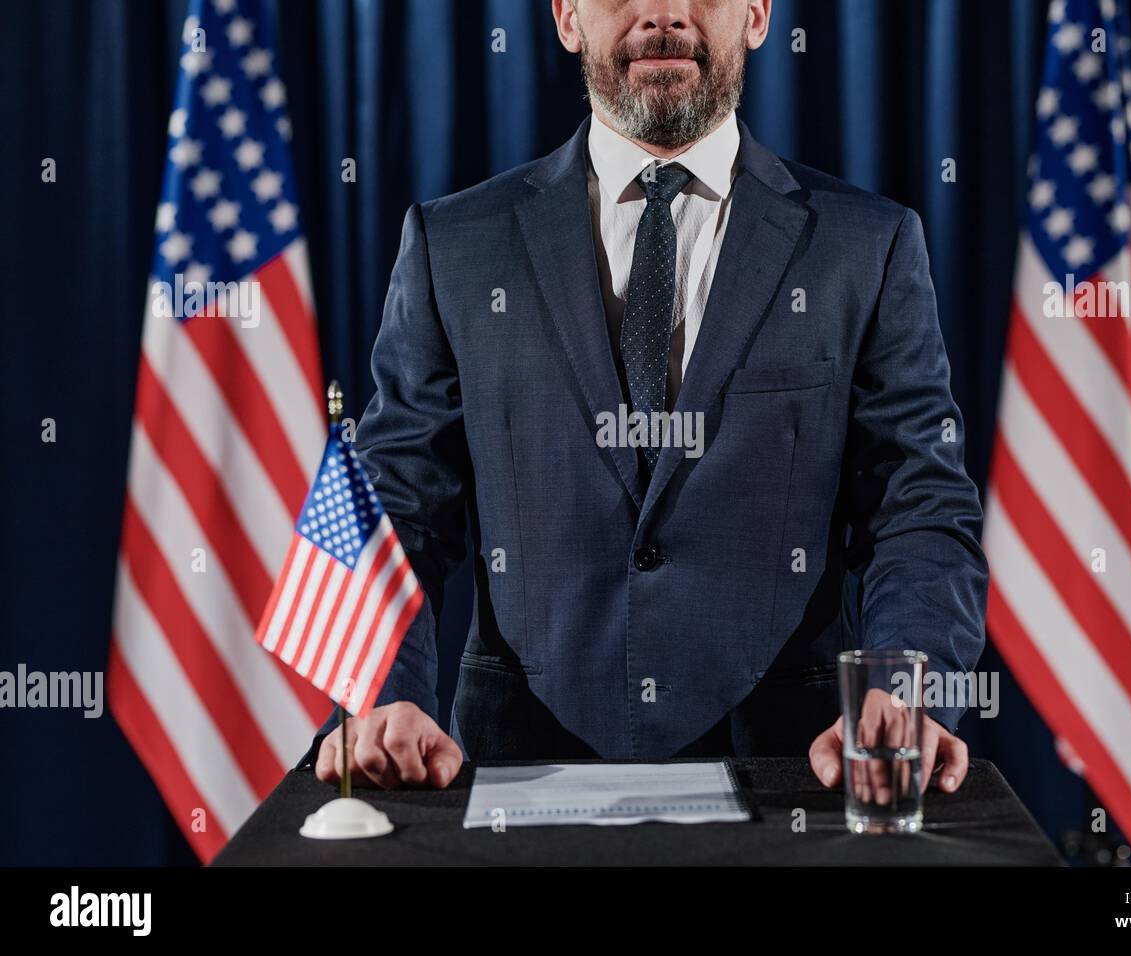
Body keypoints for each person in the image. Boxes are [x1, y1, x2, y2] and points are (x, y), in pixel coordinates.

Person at [312, 0, 988, 800]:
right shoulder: (453, 245)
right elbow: (396, 509)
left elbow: (919, 506)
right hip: (514, 781)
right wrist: (387, 695)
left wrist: (903, 688)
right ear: (565, 16)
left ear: (759, 14)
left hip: (795, 781)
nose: (663, 14)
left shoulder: (867, 246)